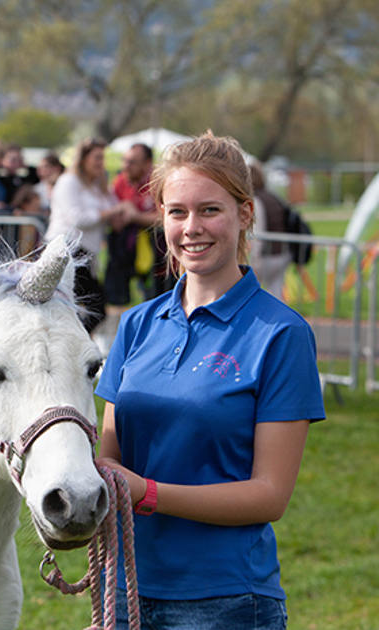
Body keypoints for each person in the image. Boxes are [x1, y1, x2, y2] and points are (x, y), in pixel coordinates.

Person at [95, 132, 325, 630]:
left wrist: (149, 493)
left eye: (210, 210)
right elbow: (109, 458)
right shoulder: (136, 324)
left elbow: (269, 494)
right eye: (177, 212)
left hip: (225, 601)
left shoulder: (280, 333)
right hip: (125, 590)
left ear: (245, 213)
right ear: (161, 217)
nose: (191, 228)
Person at [45, 137, 130, 333]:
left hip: (85, 253)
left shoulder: (98, 185)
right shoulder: (68, 181)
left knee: (91, 307)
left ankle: (72, 341)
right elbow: (79, 218)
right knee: (91, 306)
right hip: (65, 250)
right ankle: (73, 341)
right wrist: (115, 211)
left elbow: (114, 211)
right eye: (97, 157)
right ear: (83, 158)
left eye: (103, 158)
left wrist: (121, 213)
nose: (101, 162)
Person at [106, 143, 169, 307]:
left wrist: (136, 216)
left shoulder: (159, 182)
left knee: (157, 298)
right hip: (128, 250)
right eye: (124, 160)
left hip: (160, 252)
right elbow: (113, 215)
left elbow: (167, 217)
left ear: (147, 163)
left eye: (132, 162)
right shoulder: (121, 181)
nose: (125, 166)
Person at [249, 159, 291, 300]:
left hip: (265, 256)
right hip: (282, 253)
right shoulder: (274, 197)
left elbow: (258, 232)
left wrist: (255, 259)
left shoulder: (256, 200)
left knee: (251, 294)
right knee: (276, 294)